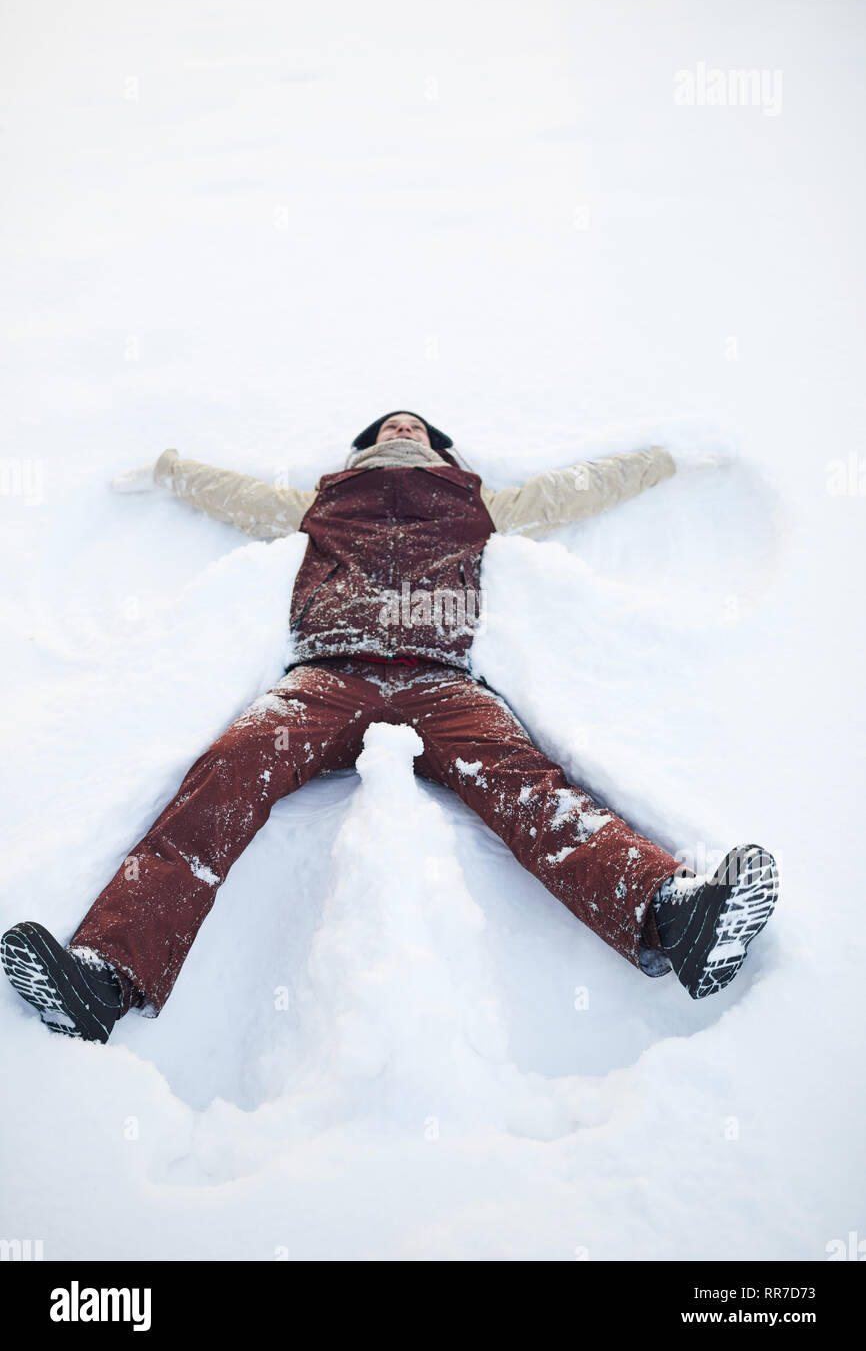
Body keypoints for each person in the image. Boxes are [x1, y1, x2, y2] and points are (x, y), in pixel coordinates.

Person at [1, 411, 778, 1043]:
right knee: (225, 775)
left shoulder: (478, 503)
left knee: (527, 786)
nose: (400, 429)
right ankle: (103, 975)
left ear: (440, 450)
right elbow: (228, 494)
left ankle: (677, 917)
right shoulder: (321, 502)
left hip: (442, 684)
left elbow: (581, 489)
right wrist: (169, 466)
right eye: (386, 427)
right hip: (327, 678)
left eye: (416, 426)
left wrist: (669, 455)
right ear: (363, 448)